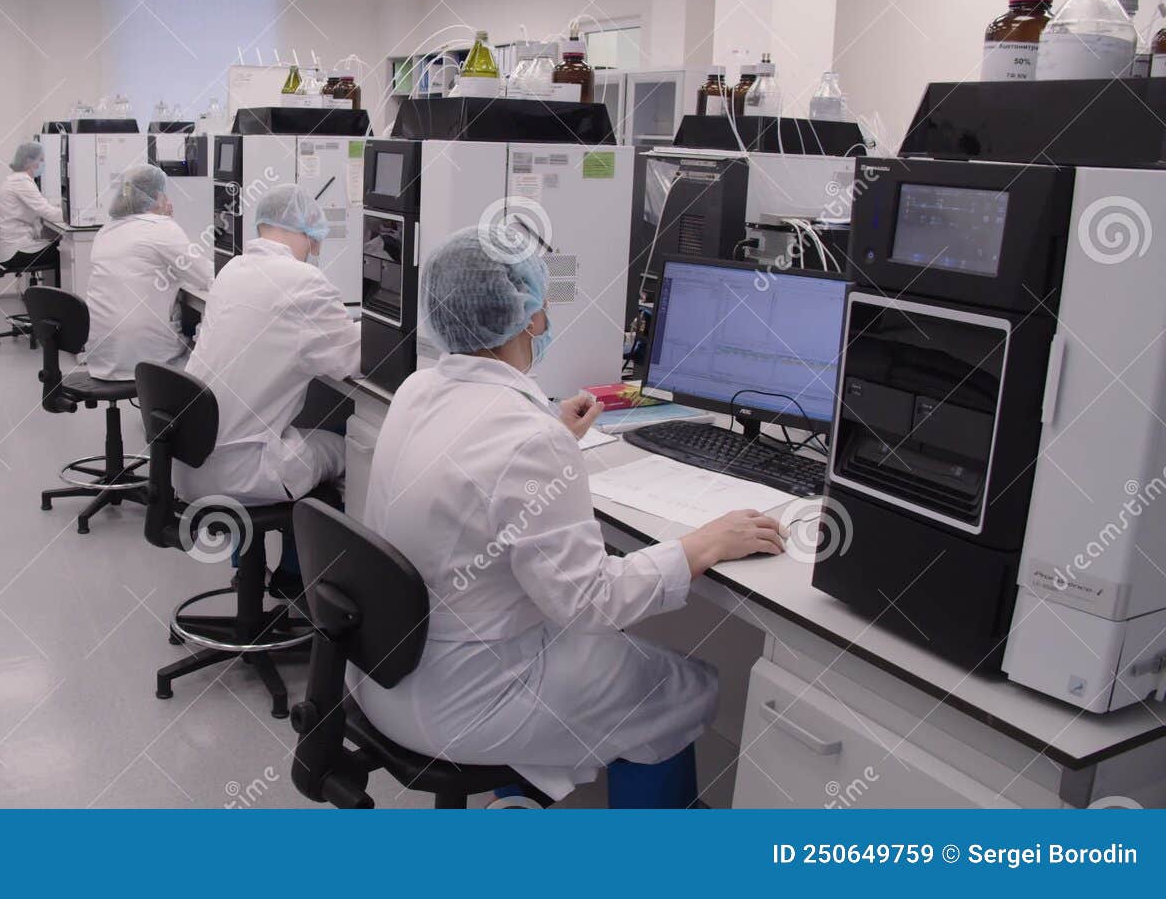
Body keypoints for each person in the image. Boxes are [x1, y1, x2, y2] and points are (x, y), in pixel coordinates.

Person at [352, 225, 786, 808]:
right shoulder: (526, 440)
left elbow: (476, 470)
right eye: (543, 296)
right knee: (681, 689)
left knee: (597, 663)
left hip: (385, 674)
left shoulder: (418, 389)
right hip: (462, 702)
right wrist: (703, 544)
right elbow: (589, 604)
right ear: (528, 315)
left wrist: (549, 434)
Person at [178, 184, 358, 586]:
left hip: (190, 460)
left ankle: (255, 570)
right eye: (316, 241)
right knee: (350, 447)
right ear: (309, 232)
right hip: (242, 471)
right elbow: (352, 360)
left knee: (299, 423)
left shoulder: (233, 270)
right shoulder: (304, 283)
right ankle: (314, 583)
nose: (316, 249)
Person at [84, 164, 211, 380]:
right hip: (145, 354)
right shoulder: (161, 227)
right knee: (205, 350)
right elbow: (206, 275)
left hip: (102, 354)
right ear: (159, 195)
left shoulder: (106, 231)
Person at [0, 141, 64, 271]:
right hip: (15, 251)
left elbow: (42, 207)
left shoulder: (15, 179)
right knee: (65, 251)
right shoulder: (22, 182)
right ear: (29, 161)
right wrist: (77, 215)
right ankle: (52, 292)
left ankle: (47, 291)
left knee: (61, 245)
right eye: (41, 160)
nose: (43, 164)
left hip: (10, 247)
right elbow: (49, 213)